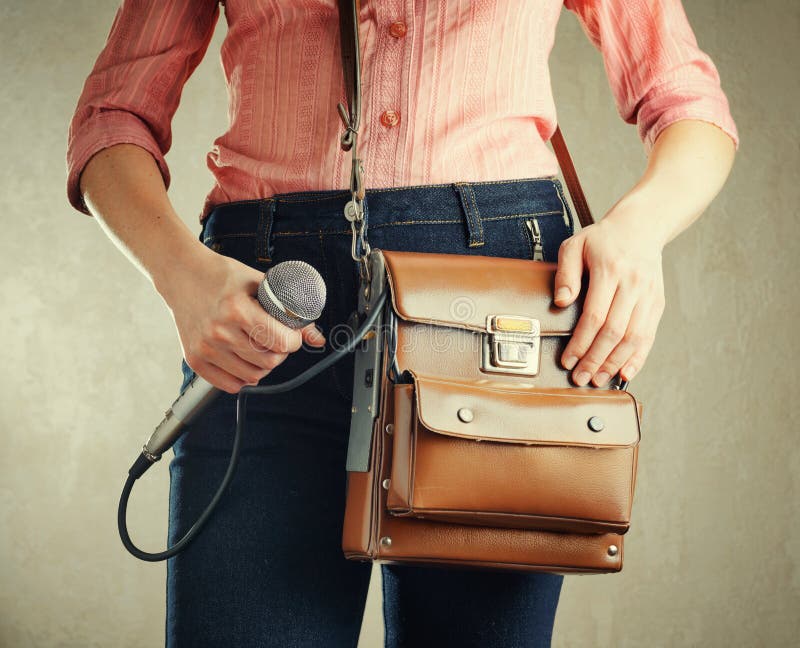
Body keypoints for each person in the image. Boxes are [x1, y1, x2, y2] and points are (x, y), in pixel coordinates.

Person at [65, 1, 737, 646]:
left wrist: (638, 233)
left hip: (494, 327)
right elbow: (111, 117)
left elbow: (688, 103)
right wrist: (183, 277)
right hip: (265, 314)